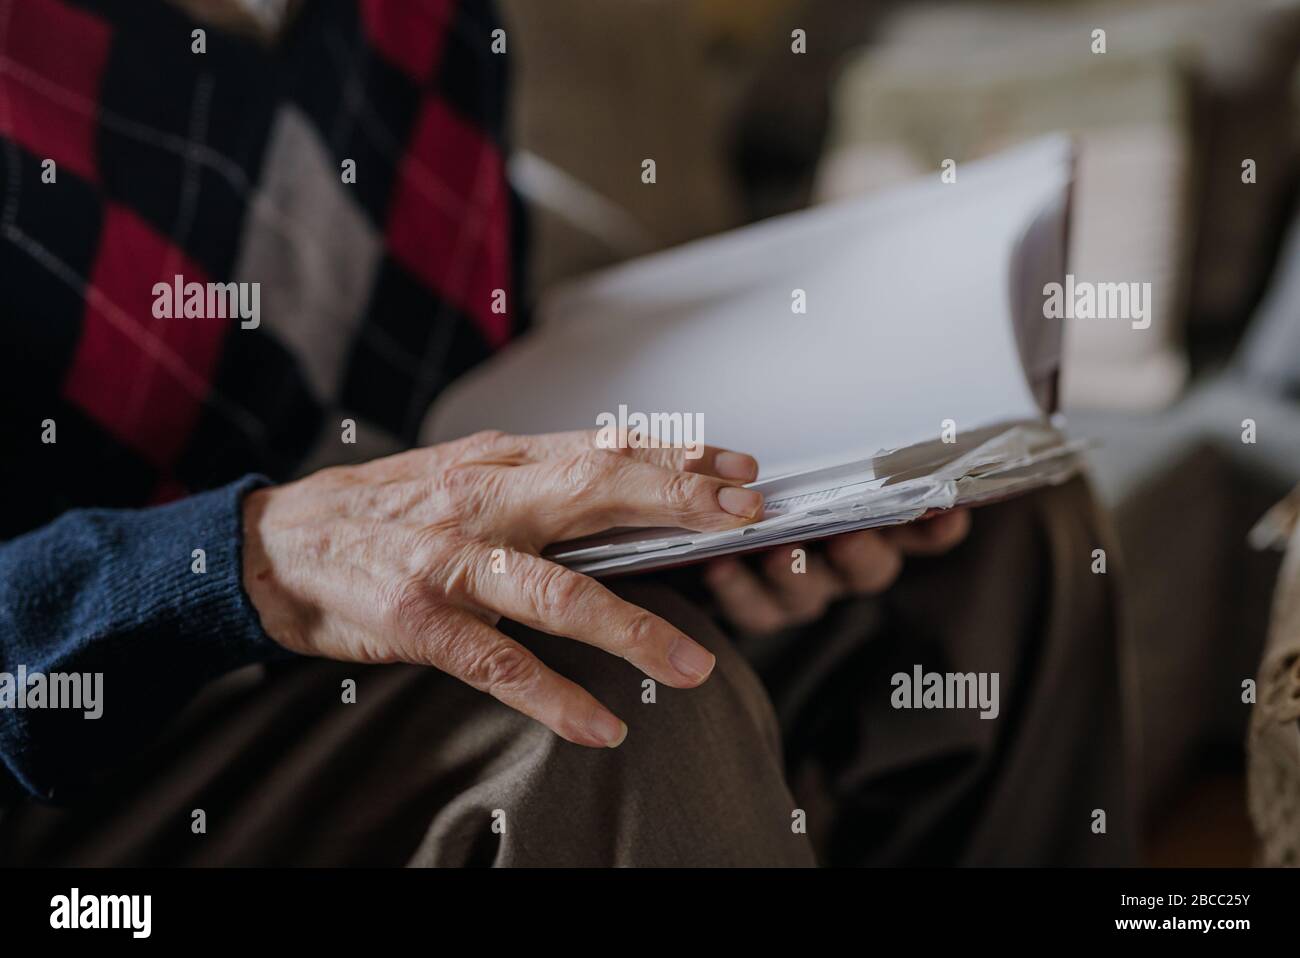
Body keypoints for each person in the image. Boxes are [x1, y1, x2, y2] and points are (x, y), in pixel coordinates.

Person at [0, 0, 1136, 865]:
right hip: (81, 753)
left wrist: (728, 511)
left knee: (1002, 528)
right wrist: (244, 556)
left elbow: (459, 376)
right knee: (605, 704)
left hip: (356, 654)